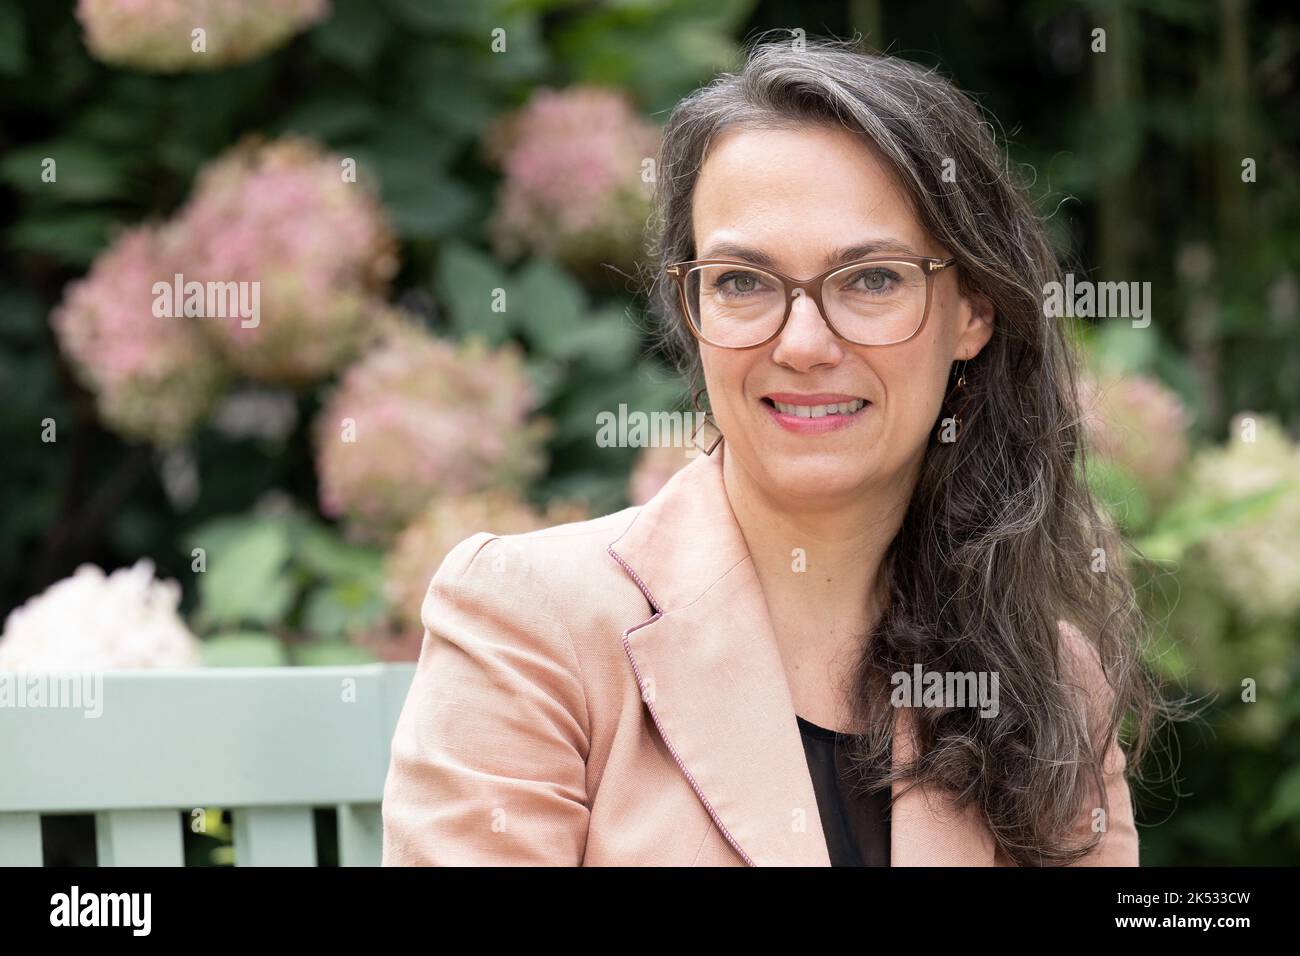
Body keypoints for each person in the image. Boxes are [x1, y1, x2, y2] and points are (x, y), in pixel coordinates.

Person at [382, 34, 1165, 867]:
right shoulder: (528, 623)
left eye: (870, 279)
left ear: (973, 311)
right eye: (743, 282)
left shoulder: (1051, 677)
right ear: (691, 310)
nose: (802, 342)